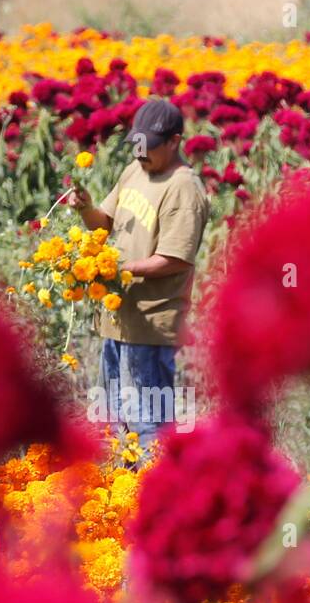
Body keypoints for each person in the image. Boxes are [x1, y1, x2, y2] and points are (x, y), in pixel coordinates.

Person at [68, 98, 211, 454]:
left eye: (150, 146)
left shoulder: (183, 188)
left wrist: (117, 270)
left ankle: (158, 496)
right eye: (138, 144)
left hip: (150, 325)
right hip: (116, 318)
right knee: (113, 421)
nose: (141, 153)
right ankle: (123, 499)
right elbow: (105, 222)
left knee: (148, 425)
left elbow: (175, 259)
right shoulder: (135, 171)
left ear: (175, 141)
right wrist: (86, 207)